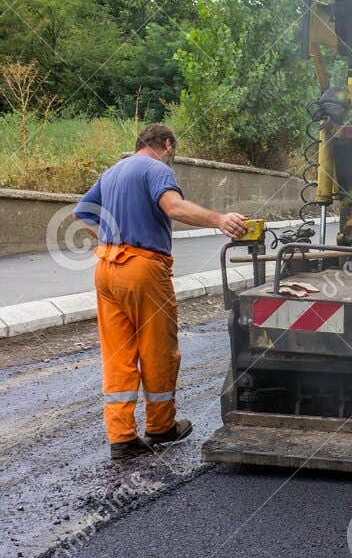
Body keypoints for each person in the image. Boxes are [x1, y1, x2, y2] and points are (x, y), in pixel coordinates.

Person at [74, 125, 247, 459]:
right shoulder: (156, 168)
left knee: (118, 354)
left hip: (106, 266)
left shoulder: (113, 171)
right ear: (166, 144)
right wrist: (219, 219)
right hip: (142, 269)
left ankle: (122, 437)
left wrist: (110, 235)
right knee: (158, 349)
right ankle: (160, 426)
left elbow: (82, 213)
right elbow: (174, 207)